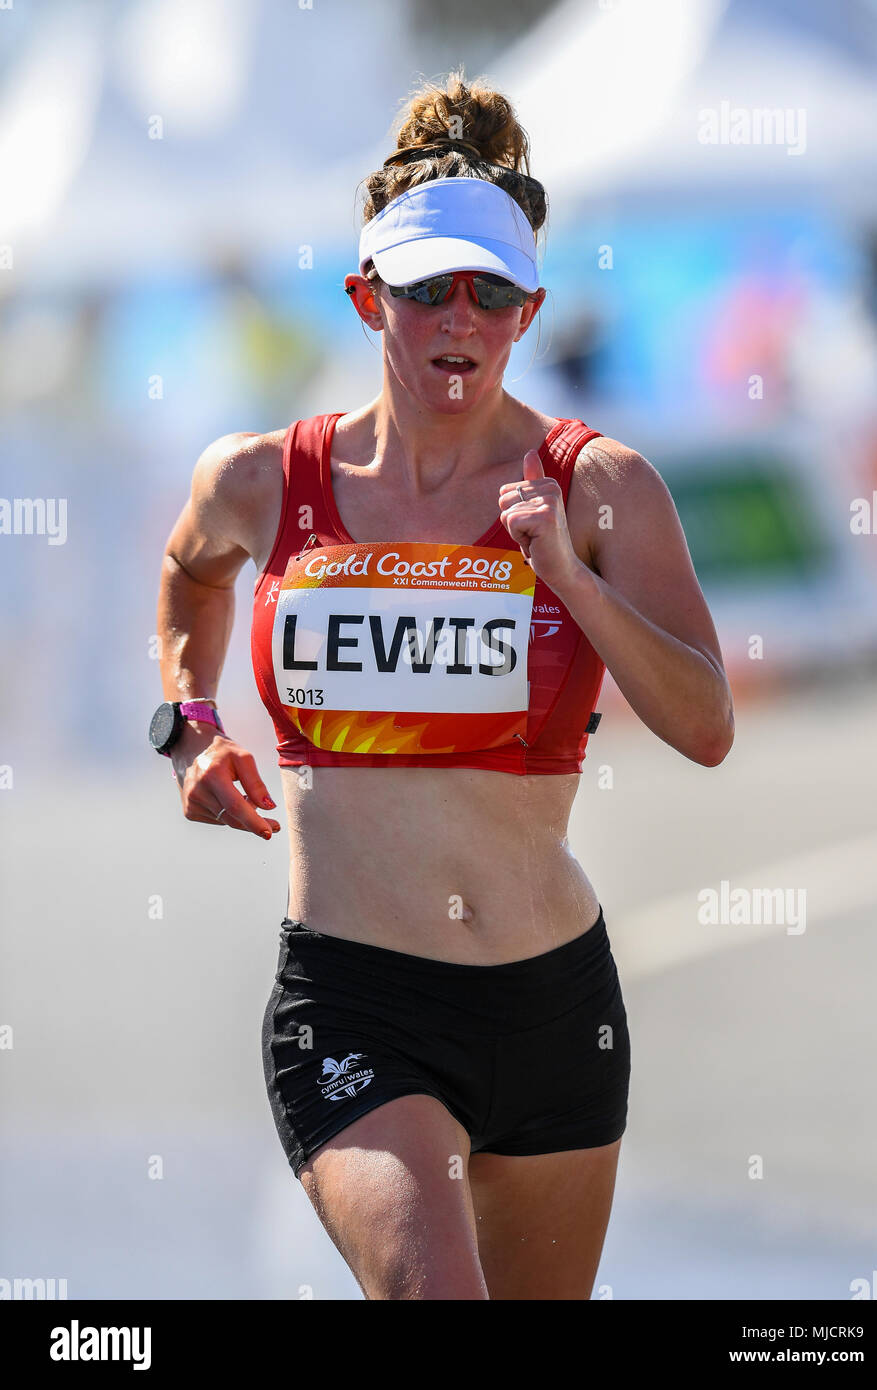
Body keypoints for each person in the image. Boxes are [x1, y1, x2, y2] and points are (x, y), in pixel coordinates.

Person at [150, 71, 734, 1301]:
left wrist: (566, 577)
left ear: (529, 309)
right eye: (424, 291)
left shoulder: (600, 487)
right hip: (356, 1003)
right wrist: (190, 727)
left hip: (552, 1005)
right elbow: (188, 574)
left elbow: (704, 724)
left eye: (490, 292)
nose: (455, 320)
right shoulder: (263, 479)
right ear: (369, 297)